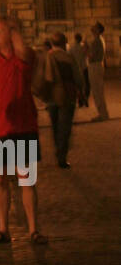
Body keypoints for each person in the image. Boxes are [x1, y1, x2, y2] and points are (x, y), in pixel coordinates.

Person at [0, 16, 46, 244]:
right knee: (0, 181)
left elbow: (24, 52)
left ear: (12, 33)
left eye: (0, 31)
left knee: (26, 179)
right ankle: (2, 229)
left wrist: (14, 30)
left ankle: (33, 229)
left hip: (22, 126)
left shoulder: (23, 58)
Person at [46, 33, 85, 169]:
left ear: (51, 43)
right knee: (64, 127)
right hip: (67, 96)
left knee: (55, 125)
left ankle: (58, 149)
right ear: (64, 43)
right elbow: (78, 78)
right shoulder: (68, 58)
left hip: (51, 97)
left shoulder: (47, 57)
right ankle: (61, 156)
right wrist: (81, 91)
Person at [86, 22, 109, 121]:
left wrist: (86, 48)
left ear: (98, 30)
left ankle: (102, 115)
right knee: (98, 91)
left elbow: (91, 57)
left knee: (97, 92)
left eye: (94, 27)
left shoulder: (96, 41)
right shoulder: (100, 40)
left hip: (95, 66)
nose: (92, 27)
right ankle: (103, 114)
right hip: (98, 65)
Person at [70, 33, 90, 104]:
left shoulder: (71, 48)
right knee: (86, 84)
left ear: (75, 39)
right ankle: (86, 98)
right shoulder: (83, 47)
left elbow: (70, 58)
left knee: (78, 85)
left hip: (76, 68)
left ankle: (80, 100)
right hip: (84, 67)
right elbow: (88, 54)